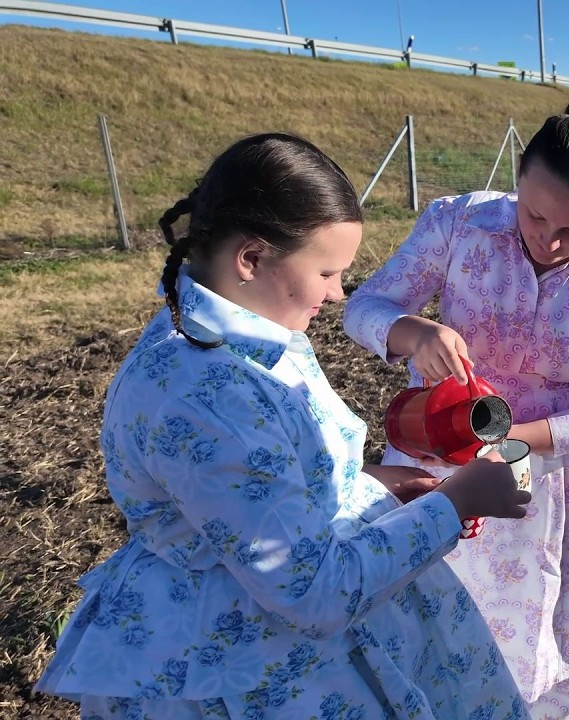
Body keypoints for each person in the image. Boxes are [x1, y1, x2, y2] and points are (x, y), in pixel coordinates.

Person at [35, 133, 533, 720]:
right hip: (252, 665)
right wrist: (455, 503)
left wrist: (365, 481)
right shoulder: (208, 397)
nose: (337, 293)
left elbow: (254, 488)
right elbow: (311, 592)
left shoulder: (241, 336)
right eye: (326, 272)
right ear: (251, 259)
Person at [344, 90, 569, 718]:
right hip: (443, 446)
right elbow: (363, 308)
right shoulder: (458, 224)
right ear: (518, 180)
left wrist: (511, 444)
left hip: (563, 472)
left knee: (563, 644)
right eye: (535, 216)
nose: (550, 241)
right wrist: (415, 332)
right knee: (436, 624)